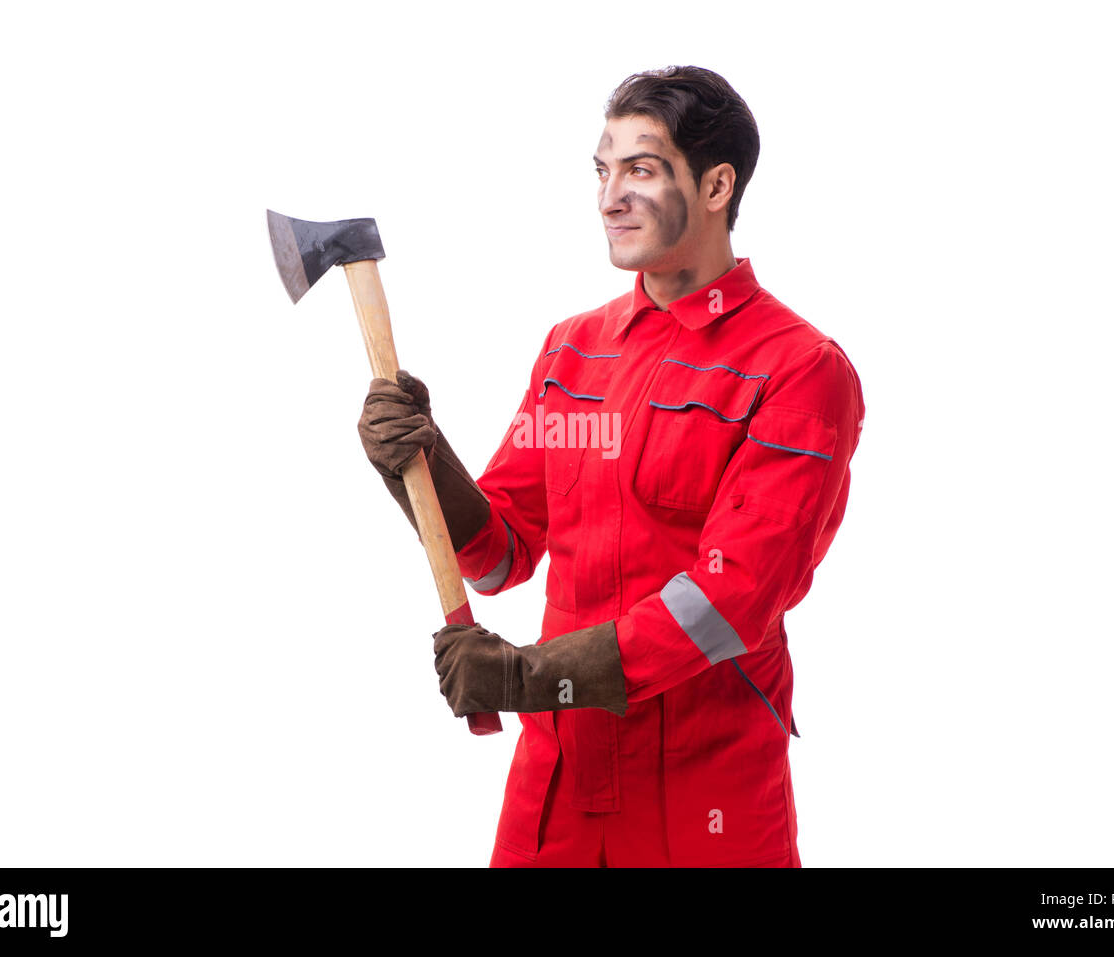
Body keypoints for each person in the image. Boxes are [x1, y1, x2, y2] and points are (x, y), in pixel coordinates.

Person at [359, 65, 865, 867]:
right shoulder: (573, 351)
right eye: (602, 170)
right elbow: (499, 555)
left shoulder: (798, 369)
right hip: (557, 790)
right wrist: (420, 460)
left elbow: (728, 603)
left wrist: (526, 677)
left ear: (717, 185)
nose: (609, 197)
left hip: (705, 801)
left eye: (641, 169)